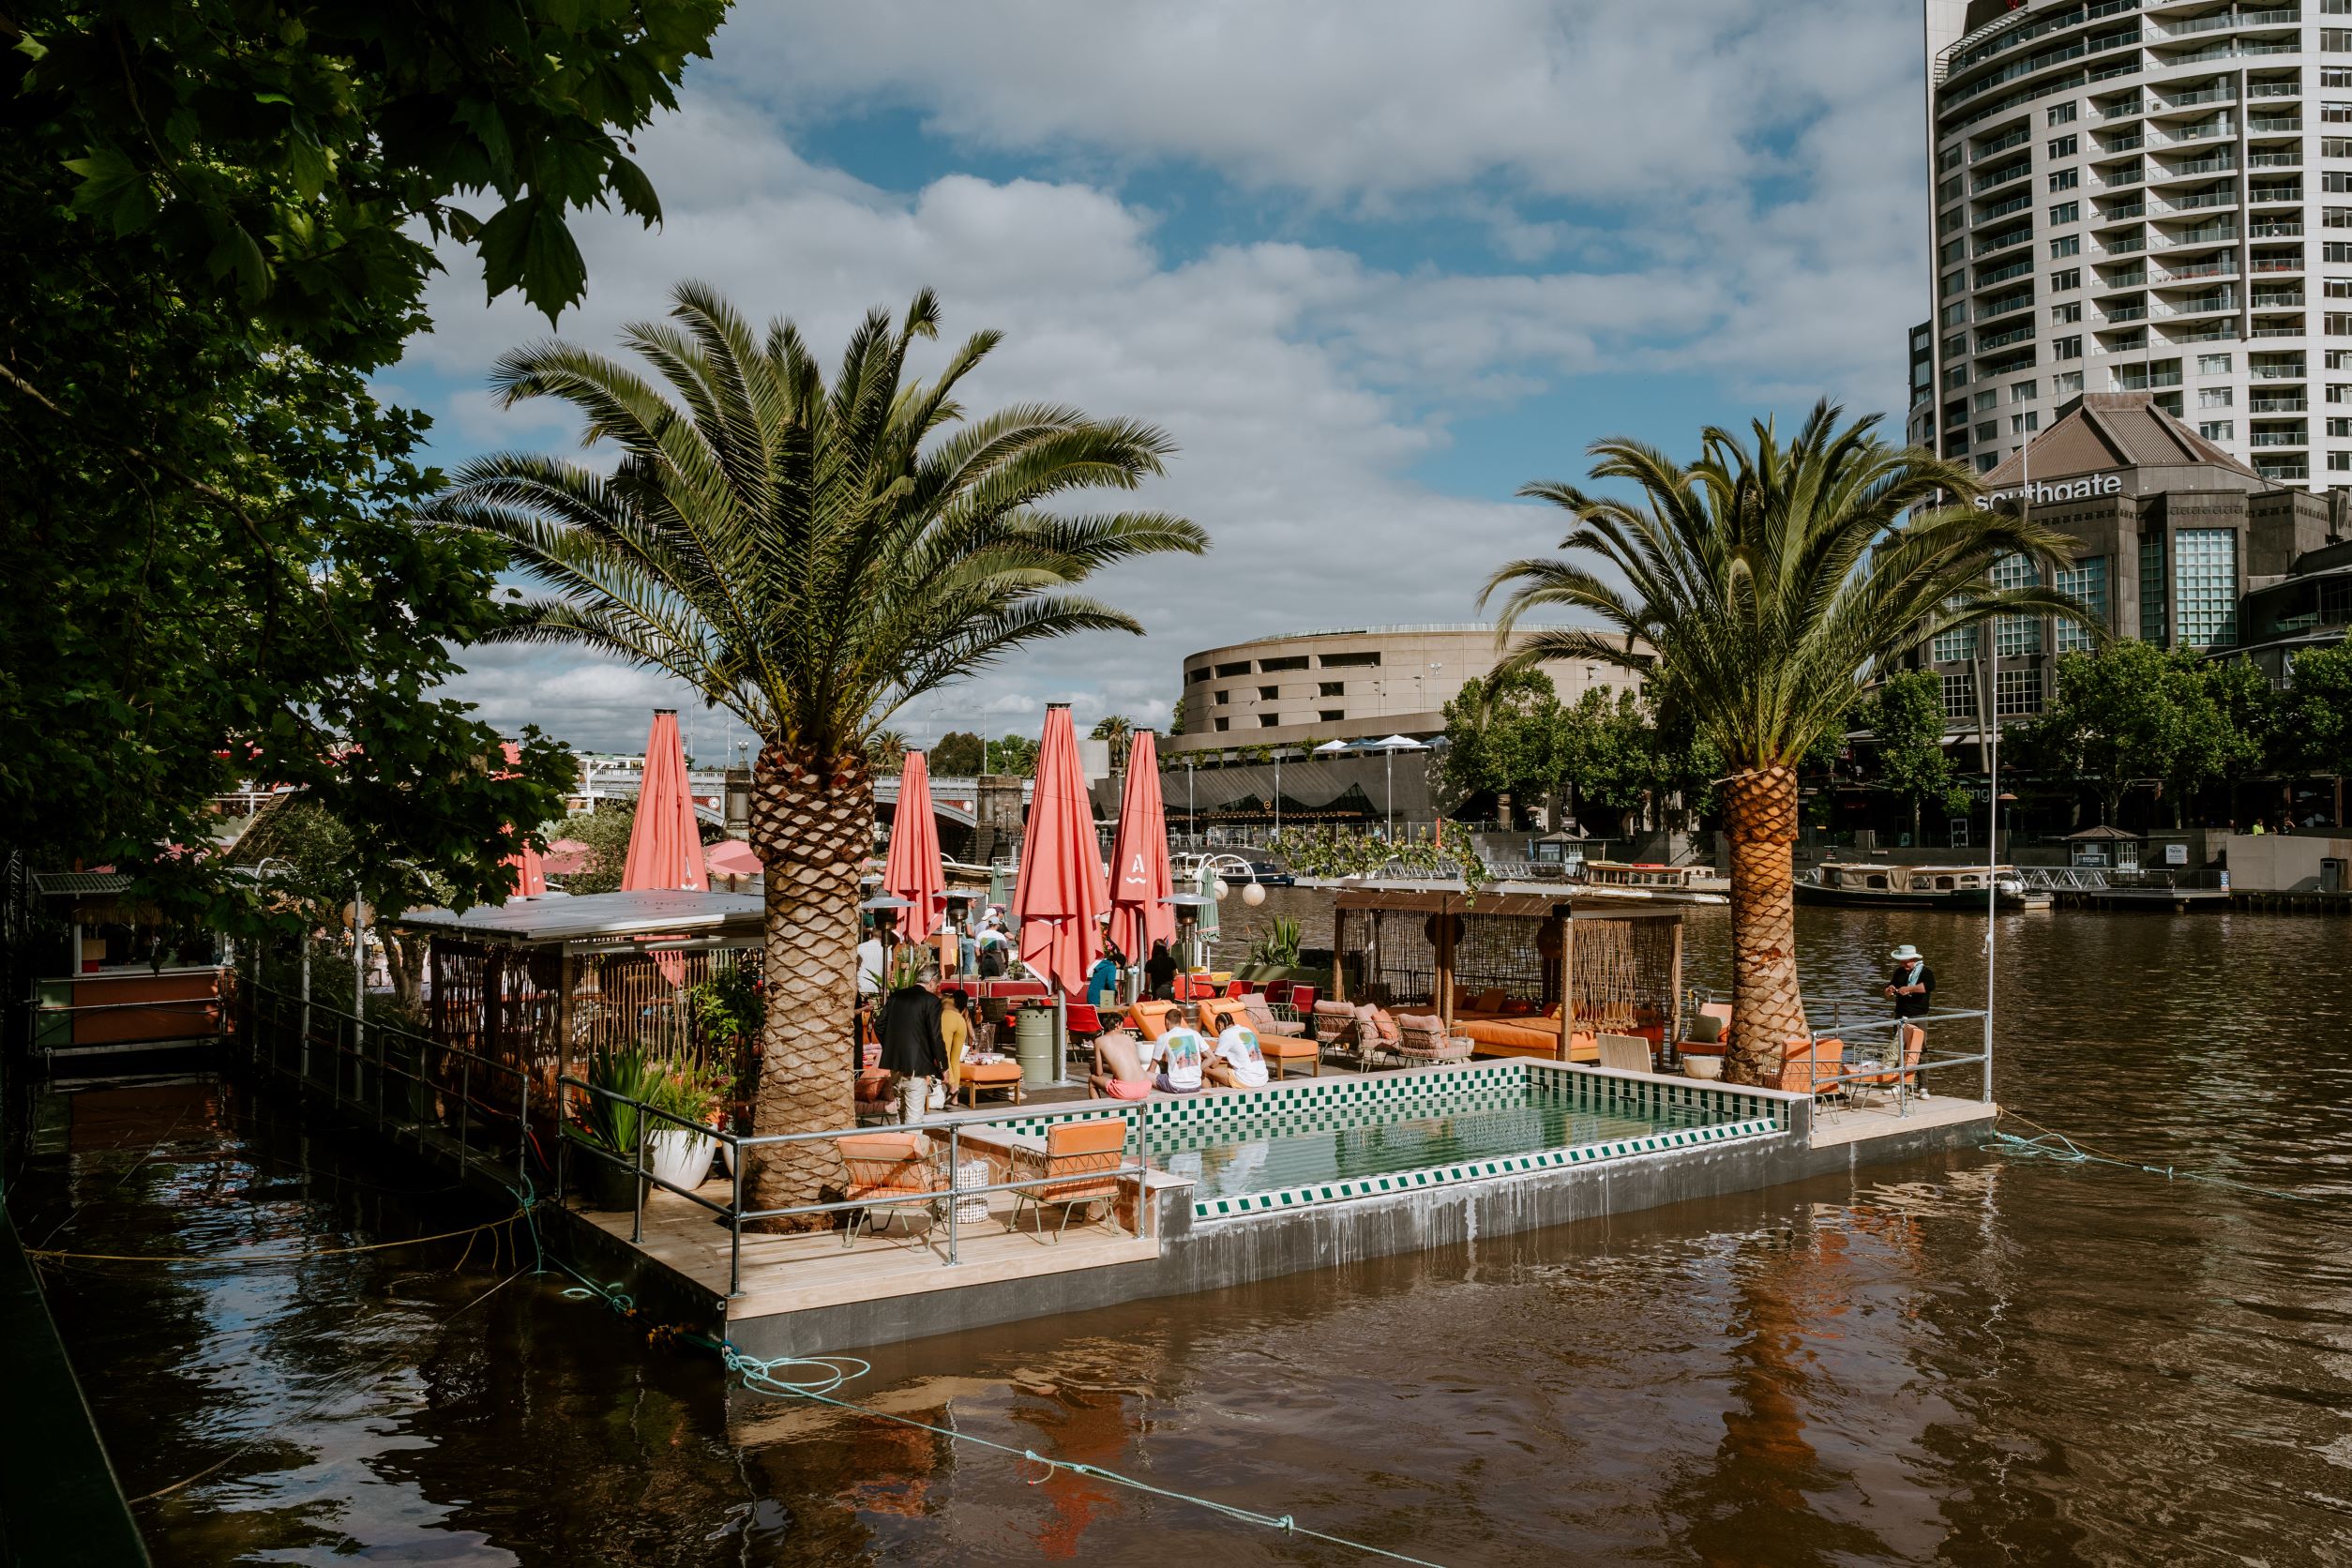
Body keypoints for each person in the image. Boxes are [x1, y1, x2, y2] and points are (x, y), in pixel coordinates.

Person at [876, 962, 947, 1124]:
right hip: (916, 1068)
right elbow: (936, 1036)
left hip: (895, 1066)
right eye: (937, 986)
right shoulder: (931, 1001)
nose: (937, 989)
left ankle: (898, 1148)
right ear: (932, 982)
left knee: (900, 1117)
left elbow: (879, 1025)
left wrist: (892, 1047)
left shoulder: (896, 996)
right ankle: (911, 1149)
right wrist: (944, 1067)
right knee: (913, 1121)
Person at [1139, 1007, 1205, 1094]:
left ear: (1166, 1022)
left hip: (1175, 1086)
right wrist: (1196, 1069)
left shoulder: (1164, 1037)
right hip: (1196, 1085)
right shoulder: (1194, 1034)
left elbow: (1152, 1069)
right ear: (1180, 1021)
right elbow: (1212, 1057)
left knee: (1143, 1075)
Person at [1087, 1028, 1153, 1101]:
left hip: (1126, 1091)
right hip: (1145, 1087)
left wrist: (1095, 1066)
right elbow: (1125, 1068)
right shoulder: (1128, 1038)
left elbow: (1099, 1073)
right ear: (1117, 1024)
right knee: (1117, 1078)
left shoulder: (1099, 1041)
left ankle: (1098, 1110)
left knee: (1092, 1080)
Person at [1206, 1016, 1268, 1090]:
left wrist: (1208, 1056)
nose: (1219, 1032)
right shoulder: (1247, 1030)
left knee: (1204, 1069)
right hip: (1263, 1078)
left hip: (1247, 1080)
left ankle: (1207, 1098)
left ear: (1220, 1025)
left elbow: (1214, 1065)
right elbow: (1243, 1054)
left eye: (1217, 1029)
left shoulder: (1225, 1033)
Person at [939, 988, 972, 1108]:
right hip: (961, 1023)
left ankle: (953, 1087)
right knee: (955, 1061)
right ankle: (955, 1099)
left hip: (948, 1020)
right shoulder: (962, 1008)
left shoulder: (945, 1000)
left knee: (945, 1054)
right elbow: (968, 1021)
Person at [1884, 943, 1935, 1019]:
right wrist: (1888, 991)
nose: (1904, 964)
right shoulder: (1899, 971)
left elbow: (1928, 987)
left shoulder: (1926, 972)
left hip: (1918, 1015)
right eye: (1902, 962)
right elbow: (1888, 991)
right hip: (1900, 1015)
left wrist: (1908, 989)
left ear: (1913, 959)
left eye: (1906, 962)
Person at [1088, 943, 1123, 1011]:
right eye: (1120, 966)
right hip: (1100, 999)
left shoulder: (1101, 965)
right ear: (1118, 962)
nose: (1119, 968)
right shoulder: (1112, 967)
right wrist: (1115, 992)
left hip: (1091, 997)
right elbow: (1110, 982)